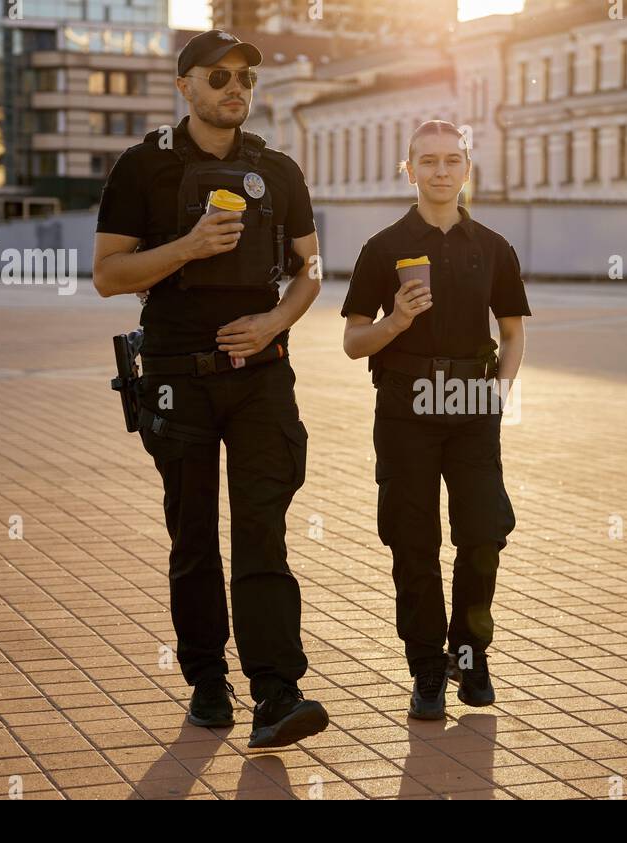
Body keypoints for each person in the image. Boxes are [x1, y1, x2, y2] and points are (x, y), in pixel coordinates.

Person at [92, 30, 327, 748]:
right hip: (175, 377)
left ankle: (278, 692)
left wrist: (274, 321)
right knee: (193, 536)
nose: (236, 89)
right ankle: (207, 684)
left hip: (259, 376)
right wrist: (190, 246)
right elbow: (108, 275)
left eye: (246, 80)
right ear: (185, 86)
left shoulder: (278, 170)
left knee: (264, 531)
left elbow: (311, 270)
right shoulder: (142, 169)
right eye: (218, 76)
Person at [340, 120, 531, 719]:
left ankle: (471, 655)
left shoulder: (494, 246)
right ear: (409, 169)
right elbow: (352, 342)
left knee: (482, 534)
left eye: (452, 161)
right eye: (428, 161)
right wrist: (395, 322)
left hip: (473, 400)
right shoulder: (383, 245)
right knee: (411, 537)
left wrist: (499, 393)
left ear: (467, 170)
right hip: (405, 401)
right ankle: (426, 668)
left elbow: (514, 330)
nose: (441, 171)